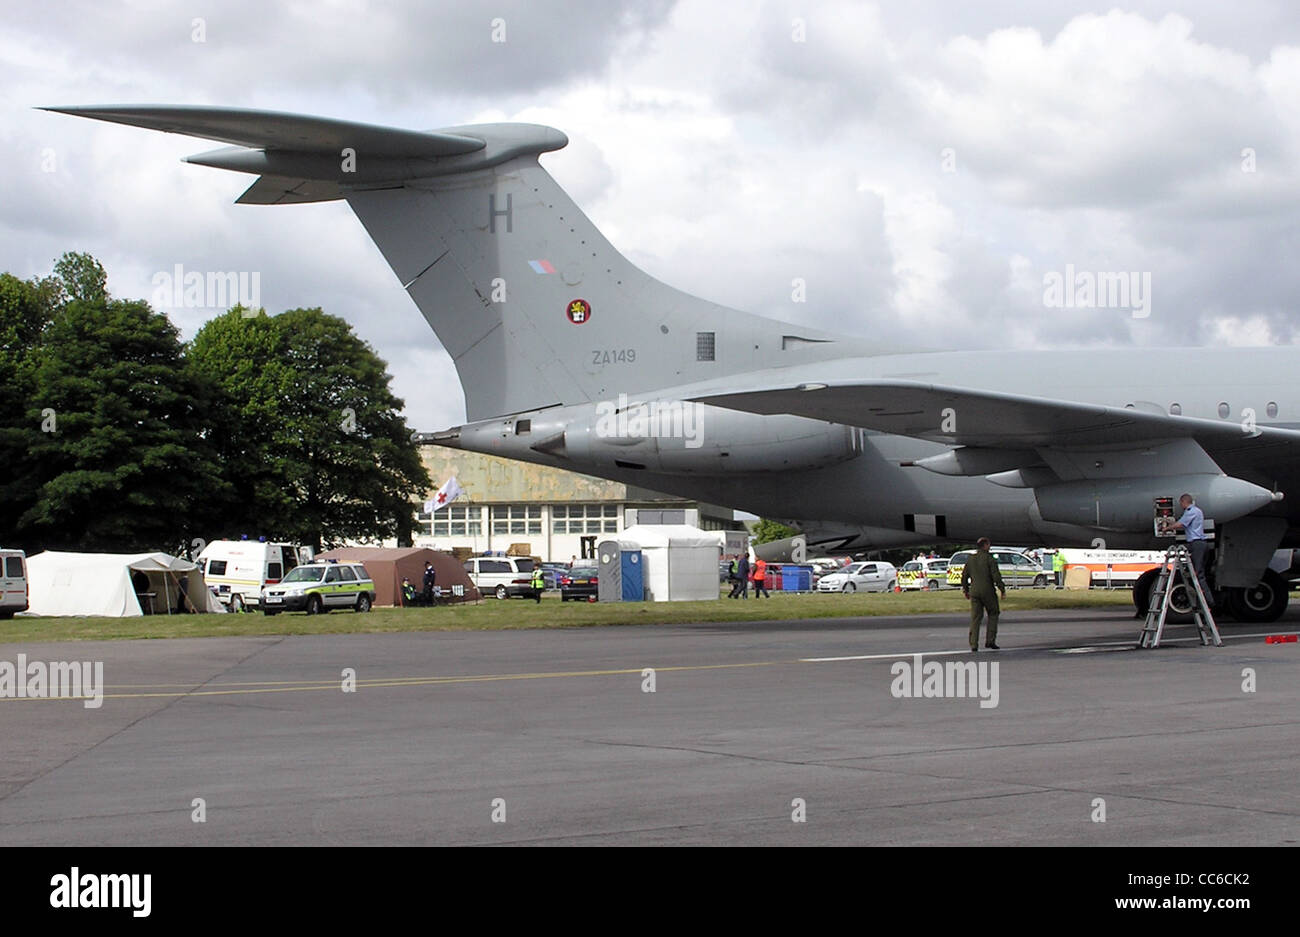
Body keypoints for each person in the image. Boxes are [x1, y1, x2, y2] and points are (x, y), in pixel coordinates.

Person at [962, 538, 1006, 652]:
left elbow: (964, 576)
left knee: (975, 617)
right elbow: (996, 576)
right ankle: (990, 640)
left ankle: (973, 644)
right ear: (985, 545)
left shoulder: (971, 559)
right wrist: (1002, 589)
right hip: (988, 591)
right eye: (988, 544)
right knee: (993, 613)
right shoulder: (989, 558)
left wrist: (966, 590)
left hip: (974, 591)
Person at [1168, 493, 1212, 607]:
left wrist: (1166, 528)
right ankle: (1202, 599)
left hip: (1197, 544)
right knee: (1197, 571)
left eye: (1181, 503)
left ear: (1183, 502)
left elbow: (1180, 524)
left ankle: (1209, 602)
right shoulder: (1197, 511)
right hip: (1200, 544)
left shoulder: (1190, 511)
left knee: (1198, 574)